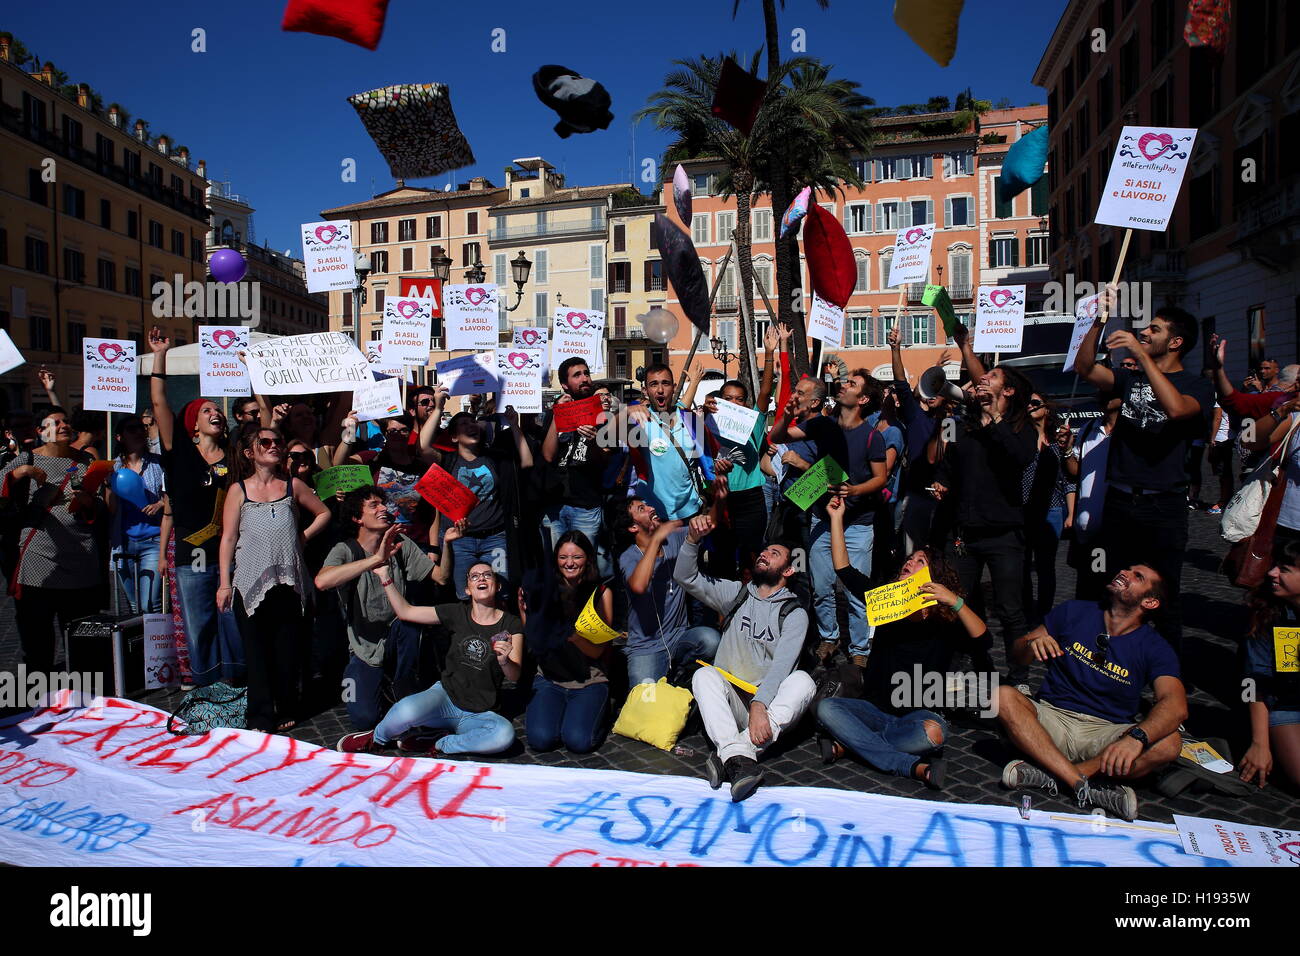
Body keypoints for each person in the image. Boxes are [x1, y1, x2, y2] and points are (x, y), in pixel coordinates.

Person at [816, 496, 993, 788]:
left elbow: (983, 638)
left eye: (919, 562)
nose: (909, 563)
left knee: (935, 733)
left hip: (915, 716)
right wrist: (836, 519)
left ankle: (851, 745)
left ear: (933, 576)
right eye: (909, 560)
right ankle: (909, 766)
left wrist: (955, 601)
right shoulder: (888, 603)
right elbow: (844, 570)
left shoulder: (945, 619)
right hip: (872, 710)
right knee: (827, 709)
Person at [1074, 298, 1215, 657]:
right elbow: (1086, 367)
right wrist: (1096, 324)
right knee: (1105, 586)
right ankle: (1100, 664)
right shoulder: (1130, 377)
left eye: (1154, 329)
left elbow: (1176, 408)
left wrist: (1144, 358)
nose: (1144, 332)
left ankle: (1167, 680)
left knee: (1162, 596)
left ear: (1175, 342)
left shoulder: (1196, 385)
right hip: (1120, 502)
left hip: (1164, 507)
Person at [996, 565, 1186, 821]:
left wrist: (1136, 738)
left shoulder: (1155, 647)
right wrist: (1031, 643)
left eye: (1137, 577)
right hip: (1053, 718)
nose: (1125, 573)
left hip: (1105, 734)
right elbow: (1016, 656)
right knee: (1003, 696)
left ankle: (1052, 773)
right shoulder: (1075, 611)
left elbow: (1175, 705)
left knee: (1170, 742)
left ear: (1150, 602)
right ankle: (1081, 782)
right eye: (1127, 569)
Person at [675, 514, 816, 802]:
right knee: (703, 675)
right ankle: (739, 755)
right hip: (730, 706)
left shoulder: (795, 614)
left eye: (774, 554)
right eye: (764, 551)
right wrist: (691, 540)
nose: (765, 554)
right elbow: (685, 576)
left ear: (788, 571)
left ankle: (729, 756)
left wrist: (759, 705)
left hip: (765, 710)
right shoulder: (737, 594)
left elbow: (781, 669)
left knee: (803, 682)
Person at [335, 560, 523, 757]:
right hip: (444, 700)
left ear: (498, 585)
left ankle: (439, 742)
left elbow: (514, 676)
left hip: (480, 713)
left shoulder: (511, 624)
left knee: (503, 735)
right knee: (405, 710)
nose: (481, 578)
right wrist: (385, 577)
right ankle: (375, 739)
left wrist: (504, 661)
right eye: (474, 576)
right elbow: (406, 612)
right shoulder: (456, 612)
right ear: (468, 589)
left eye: (487, 575)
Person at [218, 427, 331, 732]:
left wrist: (302, 537)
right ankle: (260, 714)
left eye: (277, 441)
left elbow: (324, 513)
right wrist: (224, 582)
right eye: (264, 442)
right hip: (249, 581)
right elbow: (228, 538)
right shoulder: (238, 490)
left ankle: (286, 707)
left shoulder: (293, 486)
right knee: (256, 652)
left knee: (287, 651)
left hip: (289, 582)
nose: (273, 446)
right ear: (250, 452)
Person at [931, 365, 1039, 684]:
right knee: (956, 604)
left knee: (1010, 609)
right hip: (963, 535)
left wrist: (994, 418)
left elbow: (1020, 457)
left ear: (1007, 391)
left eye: (991, 377)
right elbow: (948, 466)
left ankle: (1019, 675)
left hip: (1004, 535)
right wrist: (941, 483)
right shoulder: (963, 426)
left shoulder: (1022, 427)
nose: (982, 379)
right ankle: (969, 666)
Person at [771, 369, 884, 667]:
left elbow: (880, 478)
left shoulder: (873, 435)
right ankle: (829, 638)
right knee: (822, 588)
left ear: (862, 399)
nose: (842, 385)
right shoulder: (823, 424)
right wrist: (785, 415)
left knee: (856, 590)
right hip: (823, 517)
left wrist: (854, 489)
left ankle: (860, 650)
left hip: (857, 524)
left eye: (850, 384)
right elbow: (780, 436)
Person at [316, 489, 453, 731]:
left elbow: (441, 578)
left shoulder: (401, 544)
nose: (383, 509)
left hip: (398, 638)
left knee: (410, 623)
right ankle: (385, 690)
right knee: (364, 720)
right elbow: (322, 581)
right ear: (357, 518)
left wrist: (449, 544)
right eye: (374, 505)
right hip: (365, 648)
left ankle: (404, 689)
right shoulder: (345, 550)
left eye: (383, 504)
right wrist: (375, 559)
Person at [148, 326, 240, 688]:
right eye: (206, 410)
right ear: (193, 426)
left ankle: (235, 688)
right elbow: (158, 403)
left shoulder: (235, 457)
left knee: (232, 622)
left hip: (232, 555)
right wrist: (160, 355)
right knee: (199, 624)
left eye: (217, 409)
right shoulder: (180, 453)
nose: (215, 412)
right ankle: (205, 690)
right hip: (192, 555)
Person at [0, 408, 102, 673]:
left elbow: (101, 508)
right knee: (37, 638)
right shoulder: (26, 458)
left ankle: (84, 697)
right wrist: (19, 473)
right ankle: (39, 696)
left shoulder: (87, 462)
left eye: (66, 421)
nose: (63, 425)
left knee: (82, 637)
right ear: (41, 431)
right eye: (55, 422)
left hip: (81, 559)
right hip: (38, 560)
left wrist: (87, 501)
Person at [423, 403, 533, 597]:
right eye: (464, 424)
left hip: (495, 539)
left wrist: (514, 425)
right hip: (460, 541)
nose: (471, 425)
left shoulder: (494, 458)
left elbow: (527, 461)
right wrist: (439, 408)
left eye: (473, 422)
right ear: (454, 437)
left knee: (501, 591)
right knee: (465, 593)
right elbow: (423, 447)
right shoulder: (447, 461)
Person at [522, 531, 613, 753]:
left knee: (578, 741)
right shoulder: (543, 589)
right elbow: (534, 640)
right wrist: (529, 613)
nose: (569, 563)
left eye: (577, 557)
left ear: (588, 559)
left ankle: (599, 708)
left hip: (589, 679)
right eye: (563, 557)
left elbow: (597, 651)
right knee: (540, 740)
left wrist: (572, 636)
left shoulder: (601, 593)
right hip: (551, 678)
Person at [614, 496, 720, 685]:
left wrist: (719, 497)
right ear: (633, 527)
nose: (650, 508)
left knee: (710, 640)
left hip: (679, 636)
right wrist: (655, 540)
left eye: (646, 504)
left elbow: (708, 525)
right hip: (645, 647)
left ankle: (680, 672)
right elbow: (639, 586)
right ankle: (669, 678)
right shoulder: (628, 556)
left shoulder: (674, 538)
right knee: (644, 700)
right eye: (641, 509)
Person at [1238, 541, 1300, 791]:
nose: (1272, 573)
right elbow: (1252, 684)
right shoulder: (1268, 616)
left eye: (1284, 569)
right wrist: (1259, 743)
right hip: (1285, 704)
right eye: (1274, 566)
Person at [542, 358, 612, 574]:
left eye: (586, 373)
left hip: (587, 505)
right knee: (558, 567)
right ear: (564, 385)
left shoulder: (603, 414)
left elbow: (605, 461)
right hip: (555, 505)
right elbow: (547, 455)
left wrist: (594, 441)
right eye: (577, 375)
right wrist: (558, 415)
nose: (584, 378)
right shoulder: (555, 412)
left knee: (586, 568)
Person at [623, 363, 713, 523]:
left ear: (674, 387)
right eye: (653, 384)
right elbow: (607, 436)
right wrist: (624, 412)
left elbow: (681, 407)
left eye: (665, 383)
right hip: (654, 516)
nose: (660, 389)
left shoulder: (689, 419)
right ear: (645, 391)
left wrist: (694, 383)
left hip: (691, 513)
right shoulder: (638, 421)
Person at [1021, 394, 1075, 626]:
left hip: (1051, 510)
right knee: (1021, 565)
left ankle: (1044, 613)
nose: (1030, 406)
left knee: (1045, 566)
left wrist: (1071, 513)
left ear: (1046, 409)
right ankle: (1025, 610)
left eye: (1035, 403)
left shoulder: (1058, 442)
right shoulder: (1020, 439)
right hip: (1022, 510)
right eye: (1028, 403)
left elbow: (1070, 480)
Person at [106, 415, 167, 615]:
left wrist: (159, 503)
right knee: (133, 607)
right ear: (119, 437)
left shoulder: (158, 463)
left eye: (141, 428)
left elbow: (172, 496)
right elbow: (111, 509)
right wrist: (110, 486)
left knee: (150, 604)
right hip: (123, 542)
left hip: (154, 540)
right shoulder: (112, 468)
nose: (139, 432)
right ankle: (138, 646)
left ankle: (155, 646)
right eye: (132, 429)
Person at [1064, 394, 1120, 600]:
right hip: (1086, 530)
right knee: (1086, 589)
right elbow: (1075, 470)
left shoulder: (1131, 431)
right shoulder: (1089, 428)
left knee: (1109, 590)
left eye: (1108, 391)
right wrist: (1068, 449)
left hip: (1113, 529)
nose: (1102, 395)